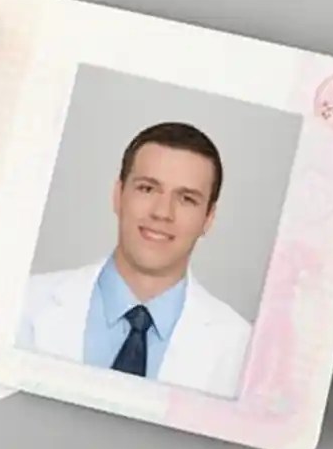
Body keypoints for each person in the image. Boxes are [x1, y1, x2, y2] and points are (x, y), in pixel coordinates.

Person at [16, 121, 251, 399]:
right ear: (118, 196)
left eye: (186, 199)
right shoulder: (23, 302)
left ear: (208, 218)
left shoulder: (243, 350)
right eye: (147, 189)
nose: (163, 213)